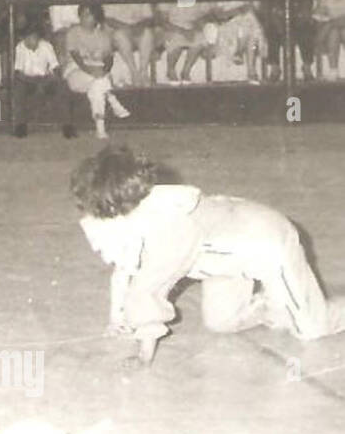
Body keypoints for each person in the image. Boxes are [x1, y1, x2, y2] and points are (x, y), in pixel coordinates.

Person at [73, 146, 345, 367]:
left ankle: (294, 304)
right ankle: (273, 303)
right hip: (224, 260)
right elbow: (126, 270)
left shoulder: (168, 228)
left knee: (312, 329)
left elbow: (148, 288)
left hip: (267, 245)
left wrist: (144, 354)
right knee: (221, 322)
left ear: (112, 204)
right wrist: (117, 318)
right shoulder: (138, 211)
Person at [64, 3, 131, 139]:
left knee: (97, 89)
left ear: (96, 18)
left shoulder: (103, 35)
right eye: (82, 14)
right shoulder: (73, 32)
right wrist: (91, 71)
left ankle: (100, 130)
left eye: (88, 14)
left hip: (98, 72)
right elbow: (76, 57)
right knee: (101, 81)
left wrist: (103, 71)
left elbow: (109, 59)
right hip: (76, 72)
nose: (84, 17)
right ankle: (111, 99)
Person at [12, 20, 74, 139]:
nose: (30, 41)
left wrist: (53, 79)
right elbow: (18, 71)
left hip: (45, 79)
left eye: (33, 38)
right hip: (27, 80)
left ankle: (68, 125)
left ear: (39, 38)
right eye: (27, 38)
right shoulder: (20, 47)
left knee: (62, 86)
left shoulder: (46, 46)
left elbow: (55, 67)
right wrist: (30, 80)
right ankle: (20, 125)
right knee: (18, 87)